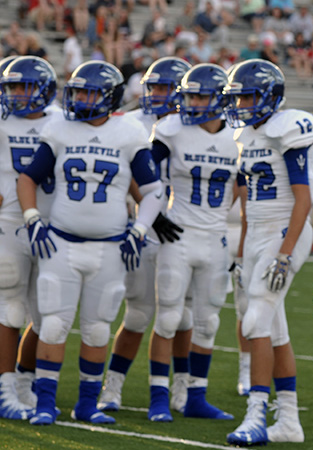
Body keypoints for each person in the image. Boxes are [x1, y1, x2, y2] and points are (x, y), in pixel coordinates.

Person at [17, 60, 164, 425]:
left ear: (109, 97)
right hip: (61, 244)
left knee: (98, 326)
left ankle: (87, 404)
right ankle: (44, 403)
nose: (80, 98)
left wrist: (140, 229)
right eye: (77, 91)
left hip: (111, 246)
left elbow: (152, 191)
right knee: (52, 324)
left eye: (89, 92)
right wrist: (33, 218)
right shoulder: (60, 127)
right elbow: (28, 177)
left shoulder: (128, 131)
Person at [224, 58, 313, 445]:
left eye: (247, 96)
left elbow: (303, 198)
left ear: (268, 97)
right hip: (259, 234)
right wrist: (243, 248)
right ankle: (290, 422)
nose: (241, 104)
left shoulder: (287, 130)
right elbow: (245, 200)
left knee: (255, 321)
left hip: (284, 231)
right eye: (238, 96)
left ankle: (257, 414)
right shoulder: (246, 136)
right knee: (275, 329)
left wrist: (285, 251)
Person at [96, 57, 194, 414]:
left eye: (166, 87)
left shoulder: (197, 125)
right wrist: (144, 216)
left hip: (184, 231)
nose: (157, 94)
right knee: (137, 313)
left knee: (184, 315)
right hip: (143, 229)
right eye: (152, 87)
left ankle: (181, 390)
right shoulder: (131, 122)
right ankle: (113, 387)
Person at [145, 63, 240, 423]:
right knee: (169, 316)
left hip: (215, 237)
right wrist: (151, 213)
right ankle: (159, 395)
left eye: (201, 95)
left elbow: (244, 186)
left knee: (208, 322)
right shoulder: (170, 129)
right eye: (190, 95)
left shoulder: (239, 135)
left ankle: (195, 396)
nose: (193, 102)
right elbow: (142, 171)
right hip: (178, 235)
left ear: (220, 98)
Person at [0, 56, 59, 420]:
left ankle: (25, 380)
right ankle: (5, 388)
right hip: (8, 223)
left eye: (25, 86)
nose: (17, 94)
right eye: (11, 87)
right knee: (11, 307)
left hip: (53, 224)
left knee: (49, 311)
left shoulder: (63, 122)